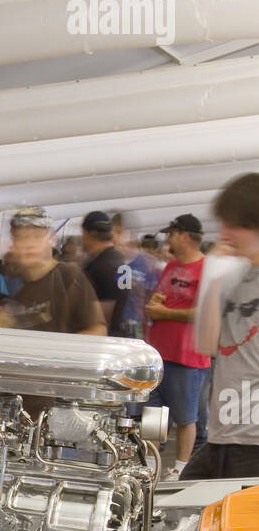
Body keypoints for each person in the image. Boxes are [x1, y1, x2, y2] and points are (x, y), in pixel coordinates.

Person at [183, 174, 259, 479]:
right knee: (179, 513)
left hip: (252, 439)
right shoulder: (233, 276)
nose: (225, 232)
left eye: (234, 223)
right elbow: (205, 345)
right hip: (224, 432)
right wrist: (213, 281)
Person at [145, 214, 206, 479]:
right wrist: (155, 305)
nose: (168, 239)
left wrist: (163, 311)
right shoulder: (171, 266)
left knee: (185, 416)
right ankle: (148, 463)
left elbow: (203, 312)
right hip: (159, 352)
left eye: (171, 234)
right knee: (153, 414)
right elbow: (159, 300)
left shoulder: (206, 269)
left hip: (187, 355)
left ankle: (179, 469)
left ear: (185, 235)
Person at [2, 207, 105, 335]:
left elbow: (98, 330)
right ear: (13, 244)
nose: (29, 244)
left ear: (52, 240)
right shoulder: (14, 281)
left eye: (37, 236)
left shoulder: (68, 275)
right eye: (20, 237)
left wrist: (55, 351)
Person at [80, 211, 130, 336]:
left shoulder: (101, 266)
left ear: (89, 234)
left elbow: (102, 318)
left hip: (104, 339)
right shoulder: (120, 260)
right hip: (119, 333)